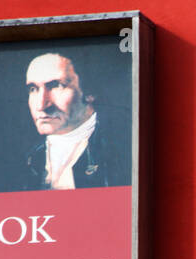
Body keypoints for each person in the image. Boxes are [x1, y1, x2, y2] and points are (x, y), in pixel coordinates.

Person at [21, 51, 129, 190]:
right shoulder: (28, 159)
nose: (41, 105)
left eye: (56, 86)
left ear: (90, 92)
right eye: (33, 89)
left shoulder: (122, 150)